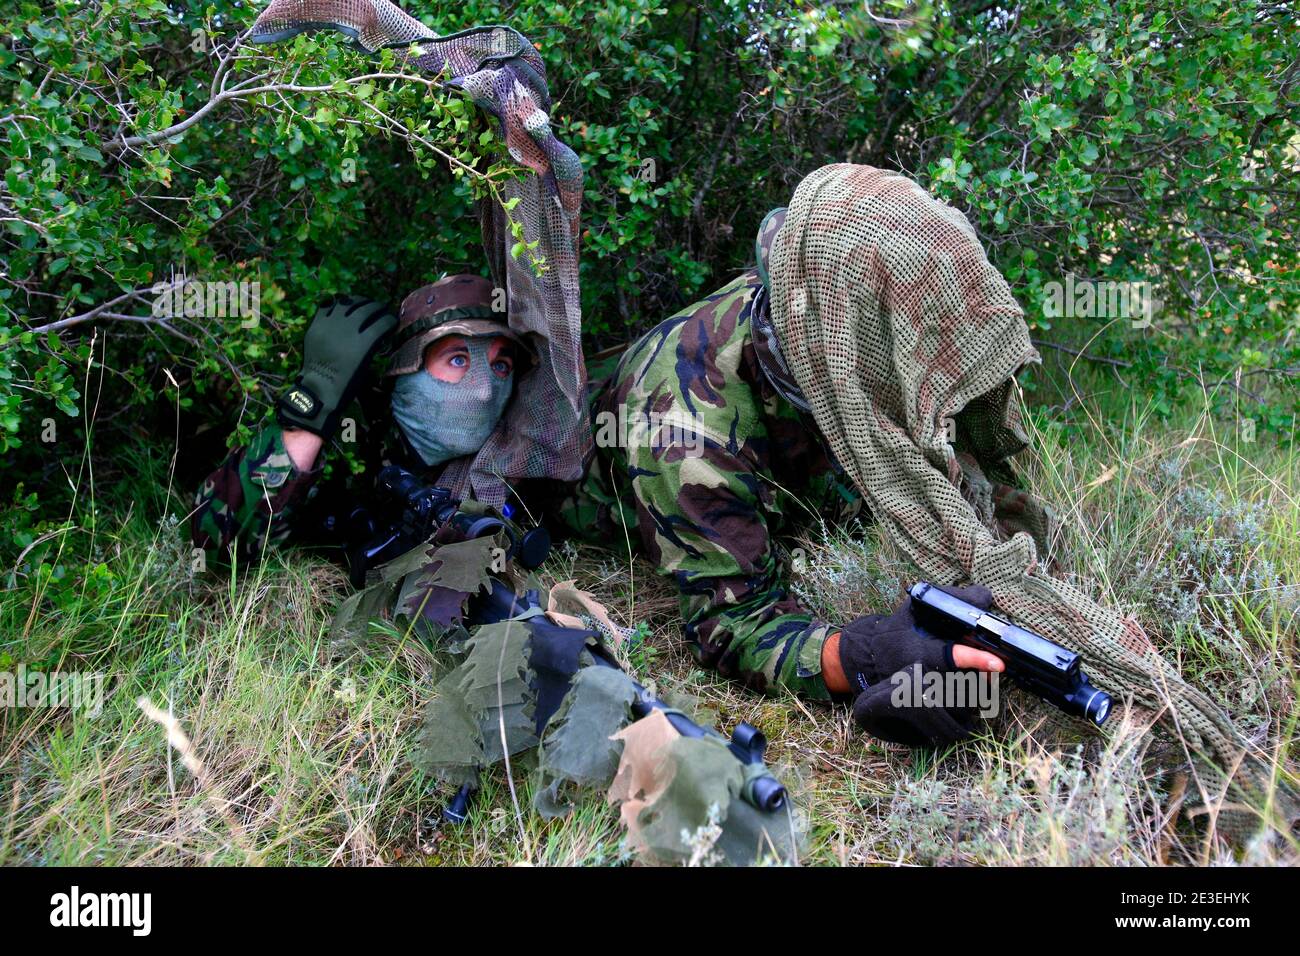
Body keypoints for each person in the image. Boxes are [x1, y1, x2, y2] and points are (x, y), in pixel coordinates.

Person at [561, 164, 1063, 747]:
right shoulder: (689, 437)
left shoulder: (820, 306)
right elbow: (735, 626)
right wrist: (869, 655)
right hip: (590, 474)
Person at [190, 274, 533, 562]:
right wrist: (314, 408)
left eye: (500, 366)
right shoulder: (351, 434)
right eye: (458, 360)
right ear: (407, 368)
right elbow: (214, 547)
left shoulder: (511, 451)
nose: (485, 390)